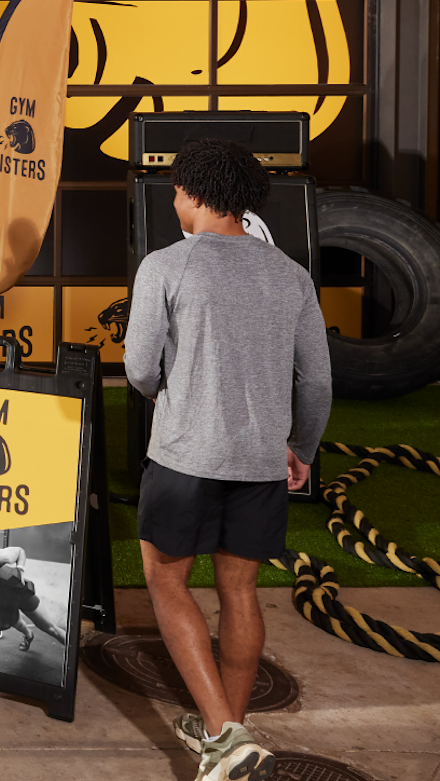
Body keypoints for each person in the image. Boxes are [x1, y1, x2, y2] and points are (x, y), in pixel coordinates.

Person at [126, 137, 330, 781]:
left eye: (178, 195)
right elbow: (317, 382)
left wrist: (169, 390)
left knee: (166, 580)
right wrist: (302, 449)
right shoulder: (290, 274)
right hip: (261, 461)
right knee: (239, 591)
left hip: (185, 454)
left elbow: (137, 367)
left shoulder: (166, 265)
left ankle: (221, 732)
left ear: (190, 195)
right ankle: (228, 736)